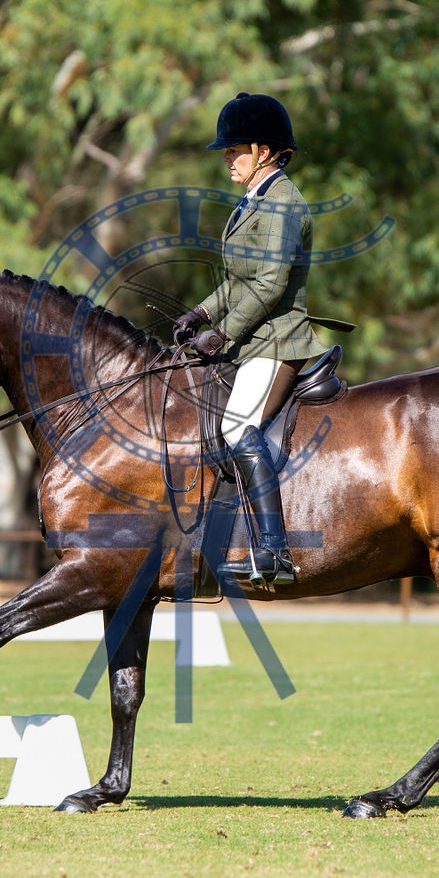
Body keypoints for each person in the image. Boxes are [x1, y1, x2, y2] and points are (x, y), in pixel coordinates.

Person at [173, 92, 328, 586]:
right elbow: (238, 280)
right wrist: (199, 313)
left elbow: (270, 283)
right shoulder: (252, 201)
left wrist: (221, 334)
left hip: (277, 343)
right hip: (250, 340)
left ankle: (273, 554)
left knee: (238, 430)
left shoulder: (285, 203)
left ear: (264, 150)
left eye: (235, 149)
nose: (226, 157)